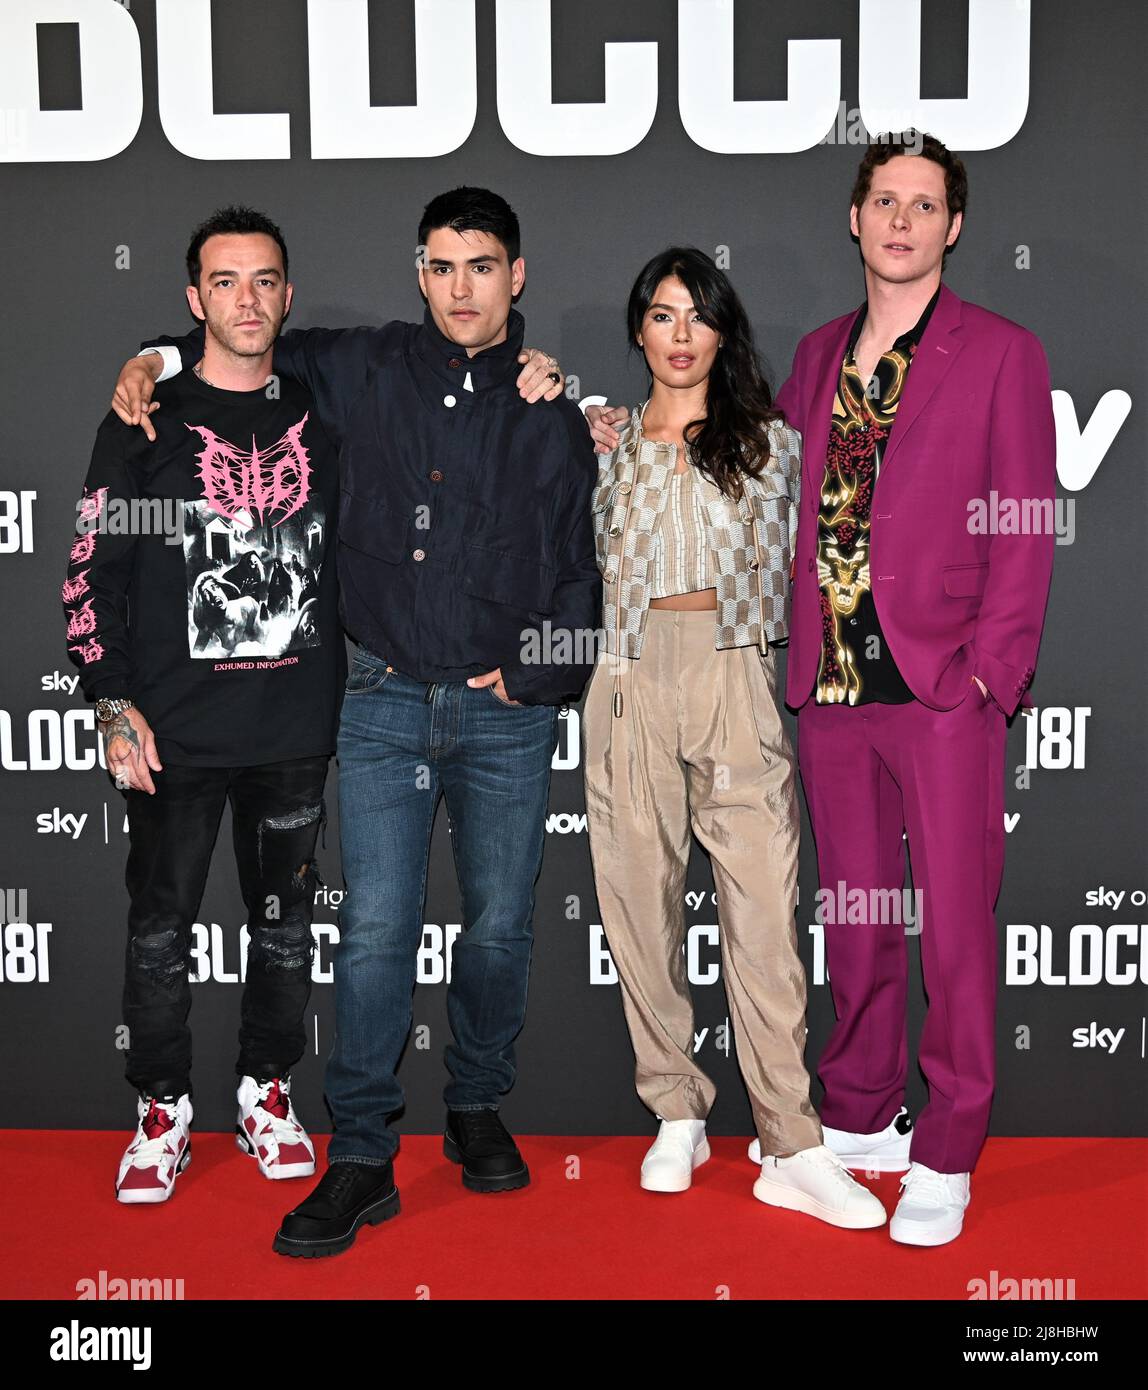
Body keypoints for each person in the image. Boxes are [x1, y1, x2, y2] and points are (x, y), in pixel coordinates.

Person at [112, 187, 598, 1257]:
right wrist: (150, 355)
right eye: (439, 266)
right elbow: (237, 335)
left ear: (515, 276)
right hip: (375, 700)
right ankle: (363, 1154)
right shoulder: (357, 365)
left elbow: (578, 579)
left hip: (503, 717)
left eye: (480, 265)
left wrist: (532, 676)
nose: (459, 286)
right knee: (372, 930)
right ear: (416, 274)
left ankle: (474, 1104)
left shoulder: (552, 415)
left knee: (502, 927)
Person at [592, 134, 1057, 1246]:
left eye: (923, 204)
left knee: (947, 930)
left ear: (952, 226)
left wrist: (990, 672)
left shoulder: (1000, 351)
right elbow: (729, 462)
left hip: (943, 687)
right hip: (827, 687)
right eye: (881, 199)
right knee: (849, 926)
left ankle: (945, 1148)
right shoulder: (810, 358)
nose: (899, 220)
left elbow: (1027, 525)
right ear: (853, 219)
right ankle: (855, 1117)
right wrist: (600, 423)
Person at [583, 248, 885, 1231]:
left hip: (736, 672)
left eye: (695, 316)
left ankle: (789, 1141)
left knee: (763, 917)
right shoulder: (604, 439)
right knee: (639, 906)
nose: (677, 334)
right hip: (629, 674)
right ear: (638, 329)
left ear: (721, 331)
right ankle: (674, 1109)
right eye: (660, 315)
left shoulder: (774, 445)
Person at [65, 206, 338, 1203]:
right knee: (158, 927)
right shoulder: (143, 420)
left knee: (281, 926)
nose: (247, 299)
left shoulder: (321, 410)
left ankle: (266, 1088)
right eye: (224, 282)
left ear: (287, 293)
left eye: (265, 279)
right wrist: (109, 704)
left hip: (293, 729)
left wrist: (565, 403)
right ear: (194, 301)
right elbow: (90, 570)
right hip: (172, 732)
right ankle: (163, 1106)